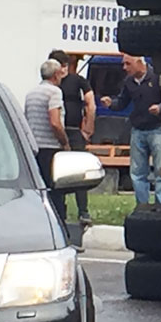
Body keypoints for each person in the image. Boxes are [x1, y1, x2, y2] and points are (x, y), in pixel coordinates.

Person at [113, 53, 161, 205]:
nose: (124, 68)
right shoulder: (129, 82)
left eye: (128, 64)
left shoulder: (157, 78)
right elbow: (122, 102)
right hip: (138, 130)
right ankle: (142, 206)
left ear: (139, 62)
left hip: (158, 129)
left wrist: (160, 108)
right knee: (137, 173)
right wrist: (111, 104)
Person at [22, 58, 72, 223]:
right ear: (56, 74)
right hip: (50, 147)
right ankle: (56, 223)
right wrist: (64, 142)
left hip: (33, 147)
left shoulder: (31, 93)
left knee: (39, 188)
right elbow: (55, 122)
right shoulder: (55, 92)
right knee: (55, 190)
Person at [52, 51, 97, 226]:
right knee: (56, 173)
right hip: (56, 133)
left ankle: (83, 211)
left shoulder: (78, 80)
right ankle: (59, 210)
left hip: (73, 130)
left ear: (64, 66)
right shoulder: (51, 83)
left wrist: (88, 128)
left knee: (79, 173)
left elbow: (90, 103)